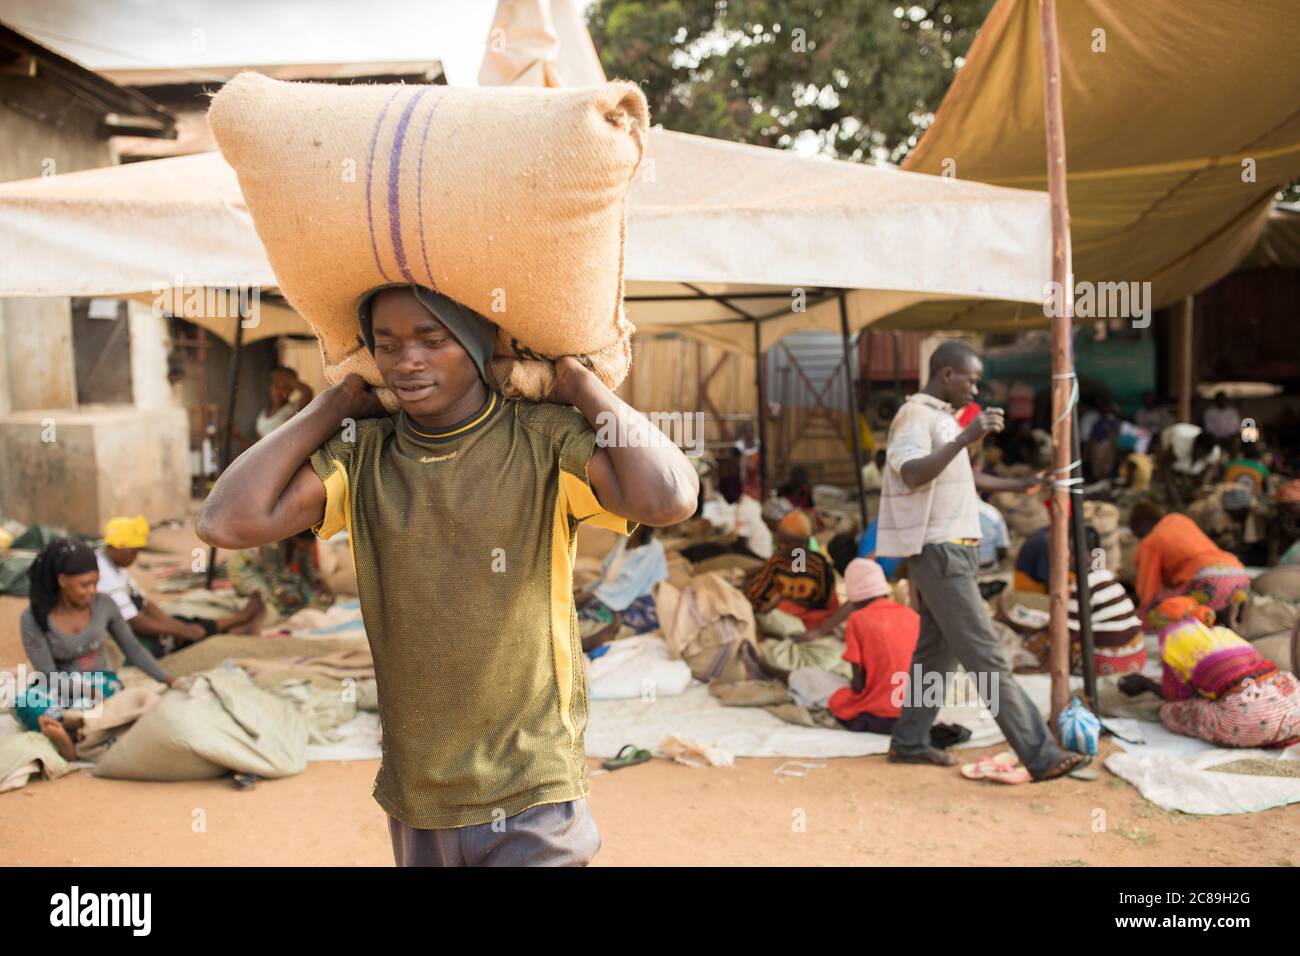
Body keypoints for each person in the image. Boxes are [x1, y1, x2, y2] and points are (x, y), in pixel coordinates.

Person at [197, 284, 697, 868]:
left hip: (532, 784)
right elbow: (227, 522)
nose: (407, 361)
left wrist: (580, 385)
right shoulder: (364, 456)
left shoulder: (543, 441)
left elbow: (670, 497)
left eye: (433, 341)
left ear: (480, 347)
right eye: (387, 346)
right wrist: (334, 405)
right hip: (421, 793)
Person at [875, 339, 1088, 780]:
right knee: (987, 657)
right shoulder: (915, 415)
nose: (975, 389)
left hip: (954, 550)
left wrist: (1027, 481)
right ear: (947, 374)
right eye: (970, 379)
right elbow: (912, 473)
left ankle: (910, 741)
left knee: (934, 656)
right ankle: (1040, 754)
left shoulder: (942, 419)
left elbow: (966, 476)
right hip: (939, 550)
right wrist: (968, 436)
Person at [16, 537, 173, 760]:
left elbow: (133, 648)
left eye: (95, 583)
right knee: (25, 701)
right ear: (62, 580)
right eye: (84, 585)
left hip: (100, 682)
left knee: (93, 704)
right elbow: (48, 676)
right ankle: (69, 734)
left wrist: (169, 680)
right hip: (58, 685)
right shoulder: (33, 618)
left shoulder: (105, 605)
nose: (92, 591)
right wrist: (81, 691)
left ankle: (71, 734)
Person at [96, 515, 264, 657]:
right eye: (133, 552)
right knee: (177, 637)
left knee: (184, 622)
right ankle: (239, 622)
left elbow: (145, 602)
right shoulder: (107, 577)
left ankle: (237, 623)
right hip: (120, 634)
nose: (135, 557)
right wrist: (180, 631)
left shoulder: (115, 566)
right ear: (117, 548)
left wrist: (176, 625)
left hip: (131, 622)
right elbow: (134, 621)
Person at [1122, 616, 1299, 748]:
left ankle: (1254, 735)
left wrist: (1146, 684)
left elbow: (1175, 696)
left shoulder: (1173, 642)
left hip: (1246, 720)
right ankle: (1274, 732)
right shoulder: (1225, 634)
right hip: (1292, 710)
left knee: (1170, 712)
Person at [827, 559, 920, 734]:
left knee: (837, 698)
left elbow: (858, 685)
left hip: (883, 715)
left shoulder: (857, 619)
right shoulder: (911, 615)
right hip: (919, 713)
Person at [1130, 498, 1250, 626]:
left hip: (1210, 581)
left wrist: (1141, 614)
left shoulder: (1150, 542)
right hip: (1239, 577)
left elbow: (1148, 592)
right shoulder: (1179, 520)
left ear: (1140, 528)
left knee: (1155, 612)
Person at [745, 511, 840, 630]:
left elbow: (826, 603)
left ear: (803, 543)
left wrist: (786, 601)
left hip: (813, 621)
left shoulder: (819, 566)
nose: (782, 547)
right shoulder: (776, 563)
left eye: (788, 543)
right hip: (780, 621)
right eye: (780, 541)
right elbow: (756, 595)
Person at [576, 525, 667, 648]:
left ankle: (597, 638)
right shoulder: (624, 540)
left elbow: (632, 585)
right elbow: (605, 573)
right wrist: (586, 590)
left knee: (585, 614)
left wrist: (591, 595)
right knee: (574, 605)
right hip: (614, 593)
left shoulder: (654, 549)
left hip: (637, 601)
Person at [256, 365, 314, 438]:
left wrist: (287, 379)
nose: (280, 391)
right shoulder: (262, 417)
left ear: (292, 390)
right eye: (276, 385)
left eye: (285, 387)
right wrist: (238, 436)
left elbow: (307, 393)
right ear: (270, 387)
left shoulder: (293, 409)